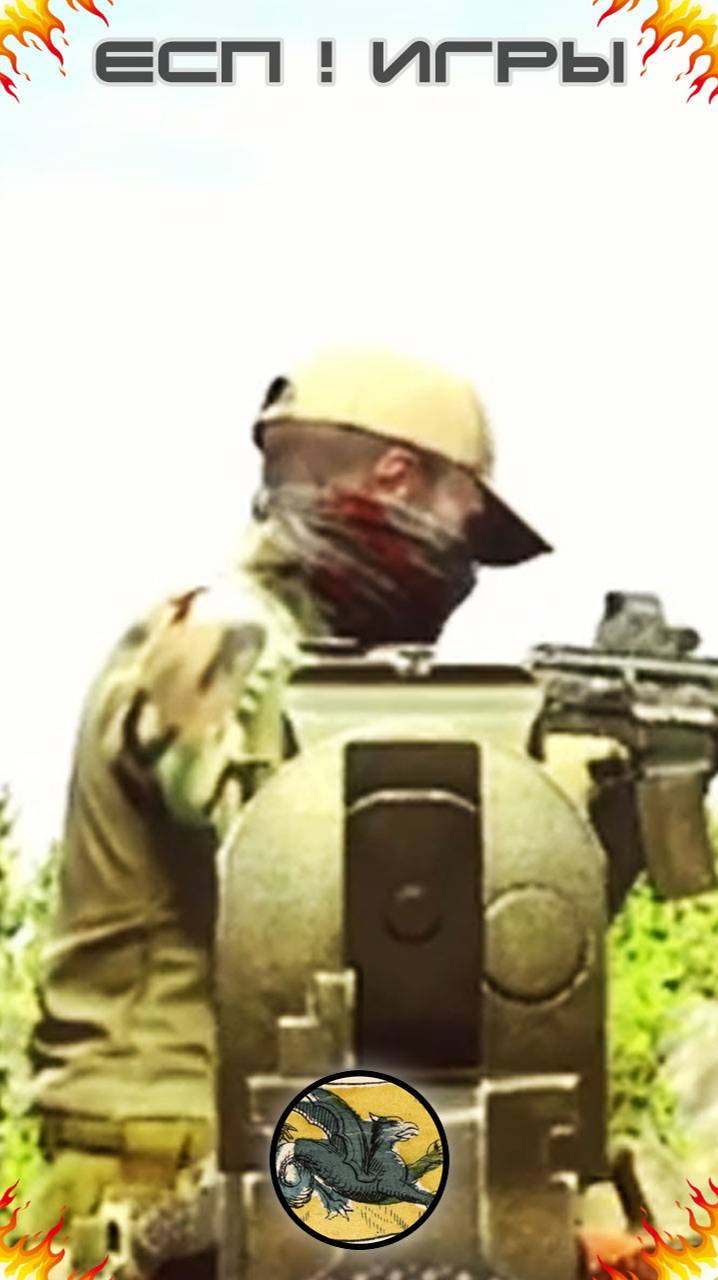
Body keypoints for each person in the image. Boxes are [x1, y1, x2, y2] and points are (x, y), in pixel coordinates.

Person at [29, 346, 632, 1279]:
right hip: (160, 1187)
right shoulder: (219, 638)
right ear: (395, 479)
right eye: (466, 526)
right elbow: (311, 879)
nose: (463, 569)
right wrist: (549, 787)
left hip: (266, 1172)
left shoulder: (300, 658)